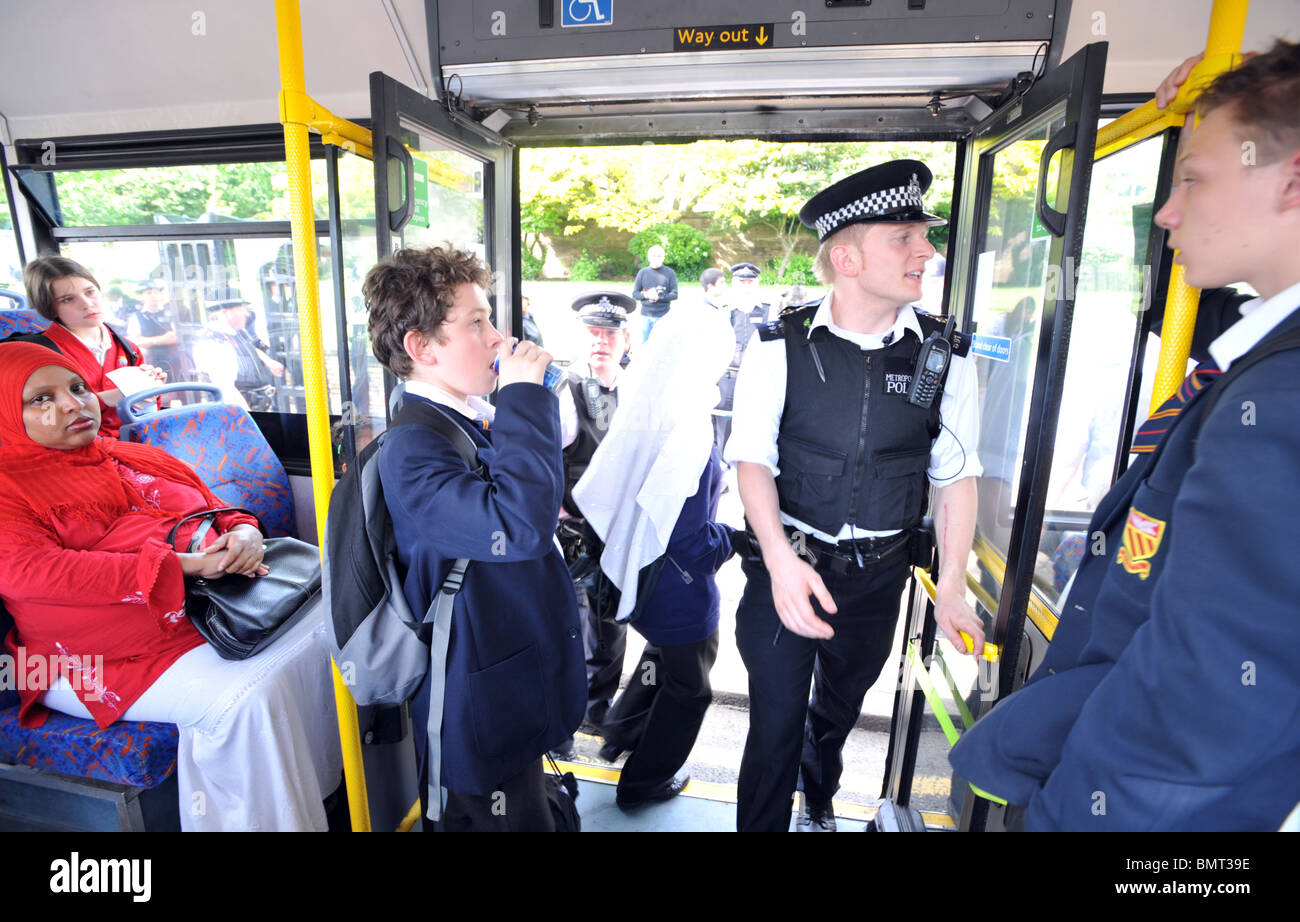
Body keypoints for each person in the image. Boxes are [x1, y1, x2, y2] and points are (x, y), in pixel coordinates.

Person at [949, 40, 1300, 831]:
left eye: (1195, 178)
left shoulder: (1281, 394)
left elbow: (1206, 699)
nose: (1169, 212)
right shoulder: (1255, 357)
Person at [726, 159, 985, 832]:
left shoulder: (941, 355)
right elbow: (750, 460)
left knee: (837, 710)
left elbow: (955, 473)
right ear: (845, 255)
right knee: (775, 722)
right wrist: (781, 564)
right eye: (903, 236)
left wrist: (952, 586)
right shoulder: (779, 347)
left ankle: (818, 798)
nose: (924, 250)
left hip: (877, 580)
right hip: (787, 567)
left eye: (922, 236)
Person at [0, 341, 341, 830]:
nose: (74, 404)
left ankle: (323, 799)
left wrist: (244, 532)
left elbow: (214, 508)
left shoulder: (132, 456)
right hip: (83, 657)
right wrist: (180, 566)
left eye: (78, 387)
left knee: (335, 626)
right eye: (41, 399)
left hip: (198, 609)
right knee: (250, 699)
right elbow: (29, 572)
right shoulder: (9, 486)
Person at [366, 245, 585, 832]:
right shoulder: (414, 447)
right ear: (421, 347)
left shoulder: (465, 418)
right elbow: (517, 526)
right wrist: (523, 394)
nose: (496, 337)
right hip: (474, 695)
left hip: (506, 669)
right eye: (476, 322)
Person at [573, 301, 737, 808]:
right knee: (691, 689)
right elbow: (689, 539)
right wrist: (738, 539)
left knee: (662, 659)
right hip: (679, 591)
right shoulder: (689, 428)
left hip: (639, 580)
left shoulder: (646, 410)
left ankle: (620, 731)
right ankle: (644, 784)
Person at [553, 291, 635, 758]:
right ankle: (561, 728)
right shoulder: (563, 391)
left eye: (609, 333)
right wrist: (561, 520)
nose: (600, 342)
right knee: (568, 626)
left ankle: (596, 709)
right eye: (593, 333)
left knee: (610, 625)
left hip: (621, 531)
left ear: (625, 339)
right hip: (574, 532)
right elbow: (544, 464)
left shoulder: (637, 390)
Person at [19, 256, 166, 438]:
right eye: (67, 299)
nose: (87, 304)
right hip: (78, 450)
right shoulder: (43, 355)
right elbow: (43, 417)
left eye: (90, 292)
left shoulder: (128, 349)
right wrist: (107, 398)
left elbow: (145, 415)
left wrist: (150, 392)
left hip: (133, 442)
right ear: (50, 308)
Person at [192, 298, 284, 411]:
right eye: (240, 310)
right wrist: (248, 418)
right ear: (224, 312)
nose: (246, 314)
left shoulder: (235, 332)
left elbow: (249, 347)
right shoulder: (213, 343)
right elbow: (227, 390)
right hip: (238, 412)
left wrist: (268, 361)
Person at [128, 273, 183, 380]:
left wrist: (148, 341)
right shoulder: (135, 317)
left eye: (156, 292)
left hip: (175, 361)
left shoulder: (171, 313)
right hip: (152, 363)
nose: (153, 296)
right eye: (149, 293)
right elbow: (136, 342)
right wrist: (163, 339)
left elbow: (175, 337)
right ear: (142, 296)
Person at [631, 245, 678, 345]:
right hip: (645, 316)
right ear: (649, 257)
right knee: (644, 344)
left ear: (663, 258)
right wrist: (647, 295)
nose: (656, 258)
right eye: (654, 255)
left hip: (663, 315)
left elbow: (674, 294)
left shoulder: (670, 273)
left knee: (662, 344)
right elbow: (635, 294)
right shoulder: (642, 273)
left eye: (659, 256)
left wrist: (659, 297)